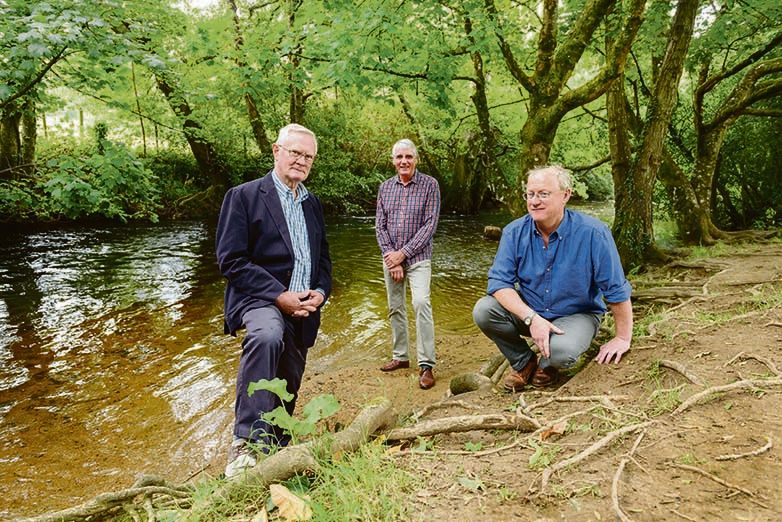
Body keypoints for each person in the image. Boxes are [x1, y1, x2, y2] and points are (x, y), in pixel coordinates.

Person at [215, 123, 332, 478]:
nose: (301, 161)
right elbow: (231, 260)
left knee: (290, 375)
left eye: (308, 156)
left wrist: (321, 292)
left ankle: (277, 447)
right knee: (267, 337)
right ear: (276, 151)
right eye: (295, 152)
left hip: (304, 307)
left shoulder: (312, 204)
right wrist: (279, 296)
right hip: (260, 299)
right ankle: (245, 443)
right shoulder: (245, 196)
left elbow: (323, 259)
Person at [472, 165, 632, 392]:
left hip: (577, 313)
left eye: (544, 194)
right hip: (532, 311)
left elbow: (616, 289)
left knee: (562, 352)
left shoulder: (594, 233)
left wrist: (623, 338)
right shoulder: (514, 232)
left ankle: (547, 365)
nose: (535, 201)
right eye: (531, 194)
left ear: (565, 195)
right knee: (484, 310)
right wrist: (532, 319)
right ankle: (524, 362)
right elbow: (499, 284)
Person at [375, 139, 441, 389]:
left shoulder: (430, 185)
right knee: (395, 307)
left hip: (419, 258)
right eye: (399, 157)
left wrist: (403, 254)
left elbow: (430, 226)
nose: (404, 161)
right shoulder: (385, 188)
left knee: (421, 303)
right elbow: (379, 226)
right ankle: (401, 357)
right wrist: (392, 257)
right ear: (393, 160)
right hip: (390, 258)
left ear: (416, 160)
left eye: (408, 157)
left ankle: (426, 365)